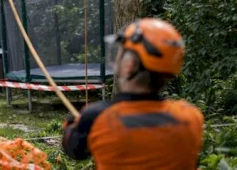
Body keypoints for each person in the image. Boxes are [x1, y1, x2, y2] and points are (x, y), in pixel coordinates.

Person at [62, 18, 204, 169]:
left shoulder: (98, 118)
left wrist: (72, 124)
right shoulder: (191, 118)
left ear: (130, 65)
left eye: (121, 52)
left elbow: (74, 150)